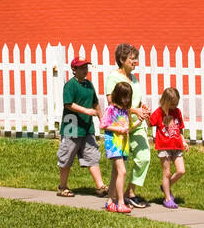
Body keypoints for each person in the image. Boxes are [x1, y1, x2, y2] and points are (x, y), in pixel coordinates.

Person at [103, 42, 151, 208]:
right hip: (119, 127)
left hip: (135, 125)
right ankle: (113, 199)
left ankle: (130, 192)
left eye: (136, 58)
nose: (135, 61)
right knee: (118, 168)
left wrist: (142, 108)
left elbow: (135, 99)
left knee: (144, 157)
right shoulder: (113, 78)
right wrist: (134, 110)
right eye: (132, 58)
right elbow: (112, 102)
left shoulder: (134, 78)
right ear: (122, 59)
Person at [57, 55, 108, 197]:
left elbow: (95, 102)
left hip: (86, 126)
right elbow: (68, 104)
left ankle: (100, 186)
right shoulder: (70, 85)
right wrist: (86, 111)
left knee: (92, 155)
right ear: (74, 69)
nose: (85, 70)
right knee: (66, 156)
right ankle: (62, 187)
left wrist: (101, 117)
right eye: (82, 67)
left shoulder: (89, 84)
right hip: (71, 125)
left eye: (86, 67)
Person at [149, 86, 188, 208]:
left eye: (176, 104)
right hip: (164, 146)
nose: (174, 107)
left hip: (176, 146)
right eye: (172, 105)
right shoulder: (159, 112)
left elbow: (180, 129)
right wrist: (146, 115)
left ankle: (165, 186)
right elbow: (150, 122)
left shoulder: (177, 112)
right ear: (165, 102)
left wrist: (184, 141)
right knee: (167, 172)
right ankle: (167, 198)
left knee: (181, 170)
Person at [101, 81, 135, 213]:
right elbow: (103, 125)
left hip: (123, 144)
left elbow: (128, 127)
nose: (126, 100)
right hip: (113, 143)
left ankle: (110, 201)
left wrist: (139, 121)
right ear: (117, 95)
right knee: (122, 171)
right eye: (124, 97)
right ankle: (120, 202)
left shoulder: (124, 111)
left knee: (115, 173)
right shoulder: (111, 109)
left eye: (128, 97)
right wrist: (118, 129)